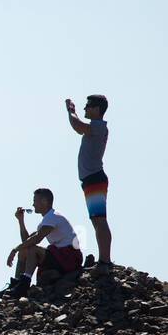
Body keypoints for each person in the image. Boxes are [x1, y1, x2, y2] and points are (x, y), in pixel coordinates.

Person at [0, 188, 83, 299]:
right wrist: (21, 221)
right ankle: (16, 285)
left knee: (33, 249)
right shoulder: (47, 220)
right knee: (25, 250)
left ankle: (23, 286)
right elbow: (27, 242)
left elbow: (36, 239)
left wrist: (14, 250)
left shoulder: (53, 216)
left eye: (35, 201)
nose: (33, 204)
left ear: (44, 201)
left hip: (69, 258)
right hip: (60, 257)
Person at [65, 94, 112, 268]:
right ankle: (104, 259)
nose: (85, 109)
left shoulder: (98, 126)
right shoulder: (96, 127)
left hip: (94, 179)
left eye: (88, 105)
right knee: (97, 220)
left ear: (97, 109)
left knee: (99, 220)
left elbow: (77, 127)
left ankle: (105, 260)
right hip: (91, 180)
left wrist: (71, 111)